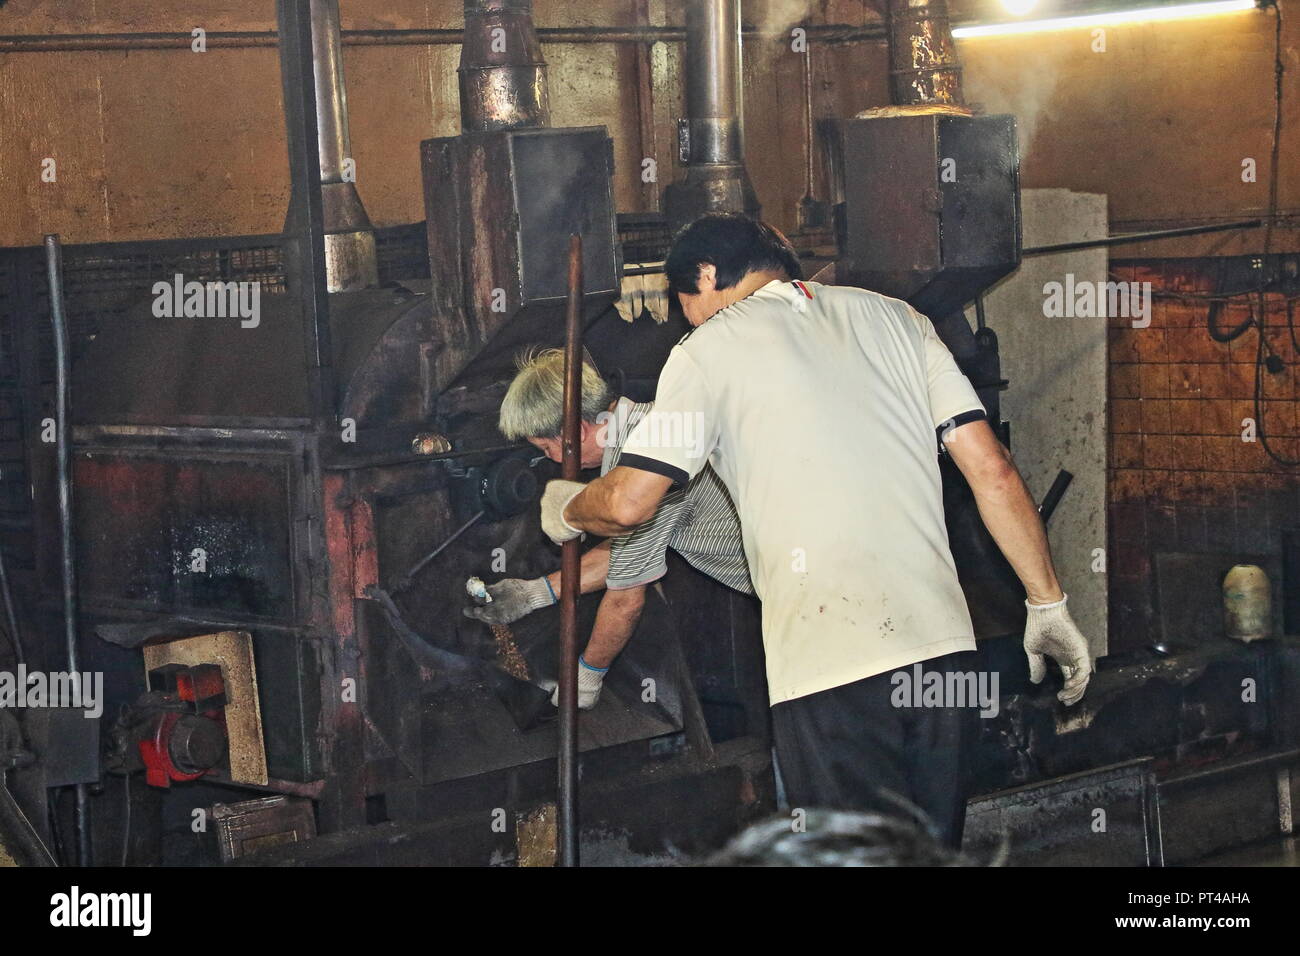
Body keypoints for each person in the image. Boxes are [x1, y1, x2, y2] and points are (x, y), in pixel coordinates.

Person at [538, 213, 1092, 847]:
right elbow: (993, 470)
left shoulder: (705, 351)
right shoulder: (901, 320)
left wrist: (568, 510)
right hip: (943, 658)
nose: (687, 319)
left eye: (683, 301)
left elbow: (629, 502)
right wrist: (1047, 602)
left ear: (706, 275)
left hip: (830, 668)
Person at [465, 347, 753, 710]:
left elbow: (625, 600)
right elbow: (628, 552)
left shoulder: (637, 462)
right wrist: (536, 593)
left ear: (576, 431)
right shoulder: (650, 423)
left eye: (546, 447)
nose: (551, 459)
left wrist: (587, 676)